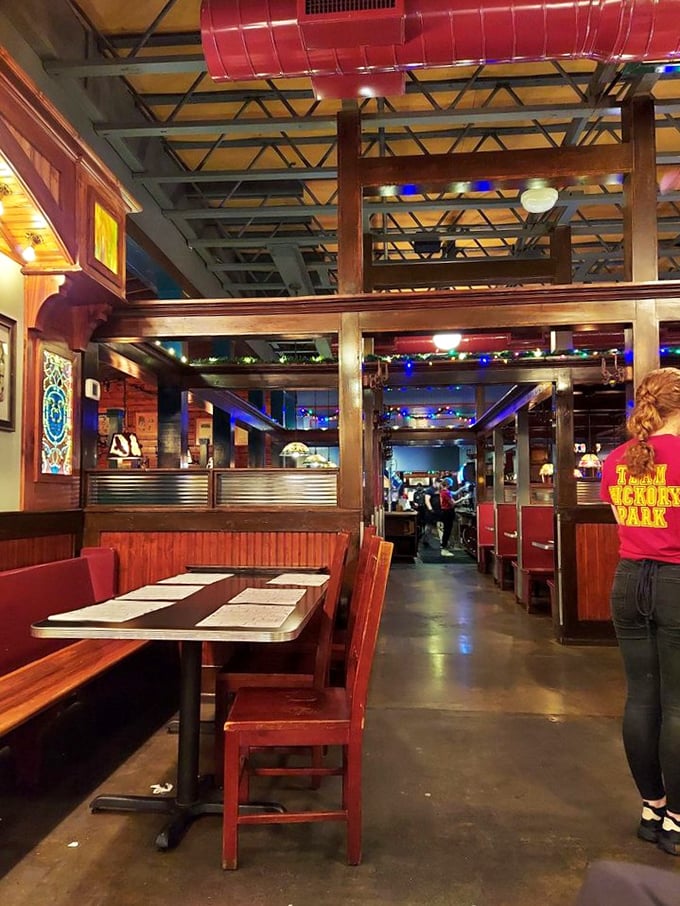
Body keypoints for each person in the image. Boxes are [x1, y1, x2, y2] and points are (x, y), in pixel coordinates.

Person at [599, 367, 680, 856]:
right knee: (679, 704)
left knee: (641, 699)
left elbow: (622, 523)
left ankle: (652, 808)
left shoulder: (614, 462)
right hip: (676, 581)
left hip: (628, 582)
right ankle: (676, 820)